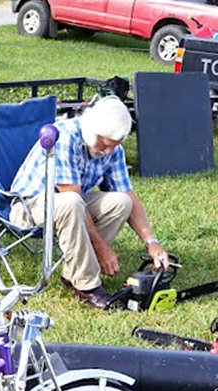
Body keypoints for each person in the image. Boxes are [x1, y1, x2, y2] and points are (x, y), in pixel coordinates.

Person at [10, 95, 170, 309]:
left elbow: (127, 193)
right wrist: (101, 247)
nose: (108, 152)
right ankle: (87, 286)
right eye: (104, 144)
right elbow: (72, 197)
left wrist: (152, 242)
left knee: (121, 202)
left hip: (70, 203)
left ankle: (71, 275)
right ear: (91, 131)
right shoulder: (64, 137)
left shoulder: (112, 149)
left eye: (114, 146)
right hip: (28, 207)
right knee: (71, 203)